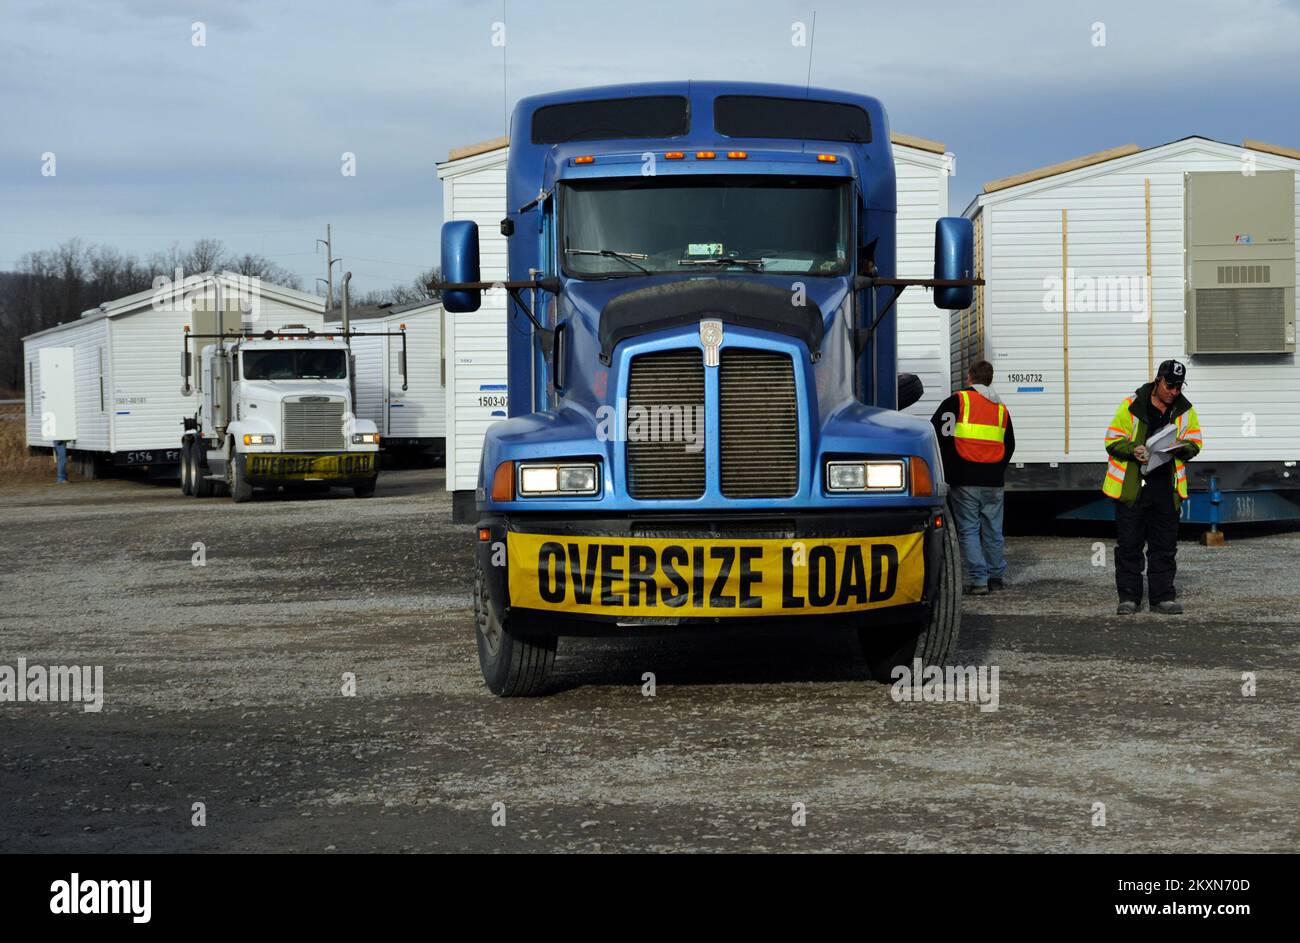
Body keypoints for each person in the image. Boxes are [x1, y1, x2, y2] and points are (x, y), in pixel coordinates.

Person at [1102, 359, 1203, 615]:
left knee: (1164, 546)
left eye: (1179, 386)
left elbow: (1195, 441)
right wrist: (1132, 449)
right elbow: (1112, 440)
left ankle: (1162, 598)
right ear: (1158, 380)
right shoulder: (1132, 405)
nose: (1174, 391)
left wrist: (1182, 447)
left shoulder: (1185, 410)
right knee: (1129, 545)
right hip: (1134, 487)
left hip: (1166, 488)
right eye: (1170, 385)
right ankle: (1129, 598)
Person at [931, 360, 1015, 596]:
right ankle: (996, 577)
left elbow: (938, 435)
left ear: (969, 377)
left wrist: (947, 469)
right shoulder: (1001, 409)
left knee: (968, 530)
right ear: (990, 379)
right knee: (993, 530)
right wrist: (996, 468)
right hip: (993, 481)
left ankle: (978, 580)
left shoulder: (957, 401)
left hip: (964, 479)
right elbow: (1009, 444)